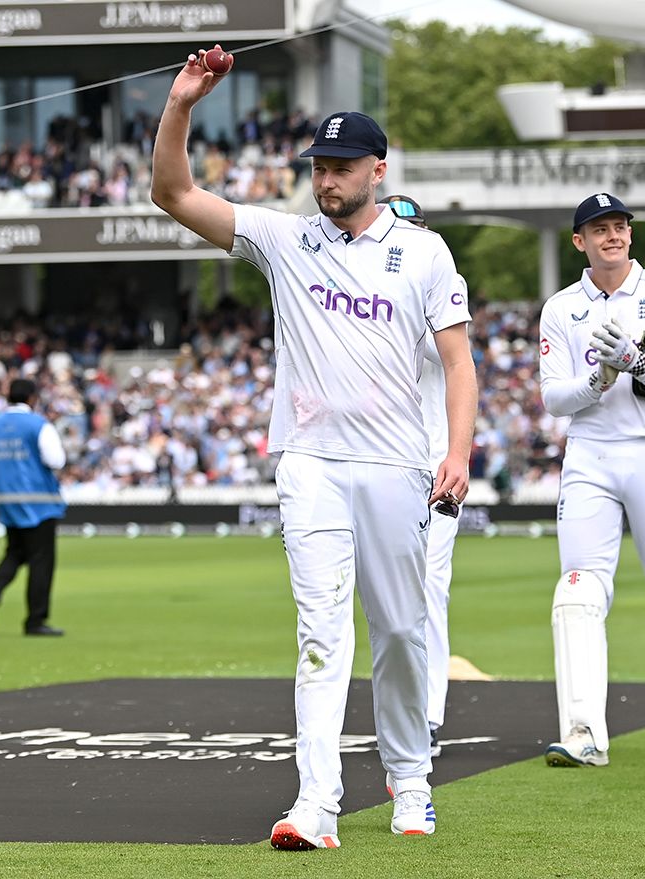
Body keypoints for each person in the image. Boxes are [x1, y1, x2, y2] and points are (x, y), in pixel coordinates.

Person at [151, 50, 476, 848]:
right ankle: (316, 804)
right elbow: (173, 192)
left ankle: (410, 780)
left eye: (339, 168)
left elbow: (460, 362)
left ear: (378, 168)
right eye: (318, 167)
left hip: (399, 464)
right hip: (311, 464)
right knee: (322, 630)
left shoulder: (424, 253)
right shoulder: (285, 239)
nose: (325, 181)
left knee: (401, 631)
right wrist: (181, 104)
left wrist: (458, 452)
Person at [538, 192, 645, 767]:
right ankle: (584, 732)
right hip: (590, 453)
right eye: (599, 229)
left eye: (619, 226)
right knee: (578, 590)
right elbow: (552, 397)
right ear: (579, 241)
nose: (612, 235)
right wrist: (598, 379)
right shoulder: (562, 308)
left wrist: (639, 364)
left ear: (630, 234)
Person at [378, 193, 468, 756]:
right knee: (373, 597)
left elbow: (450, 357)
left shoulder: (435, 276)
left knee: (429, 589)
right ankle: (389, 708)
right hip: (374, 458)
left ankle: (426, 714)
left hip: (432, 463)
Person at [0, 377, 67, 637]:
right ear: (32, 397)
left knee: (15, 554)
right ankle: (35, 620)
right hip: (39, 501)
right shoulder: (38, 424)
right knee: (41, 561)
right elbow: (56, 459)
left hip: (6, 499)